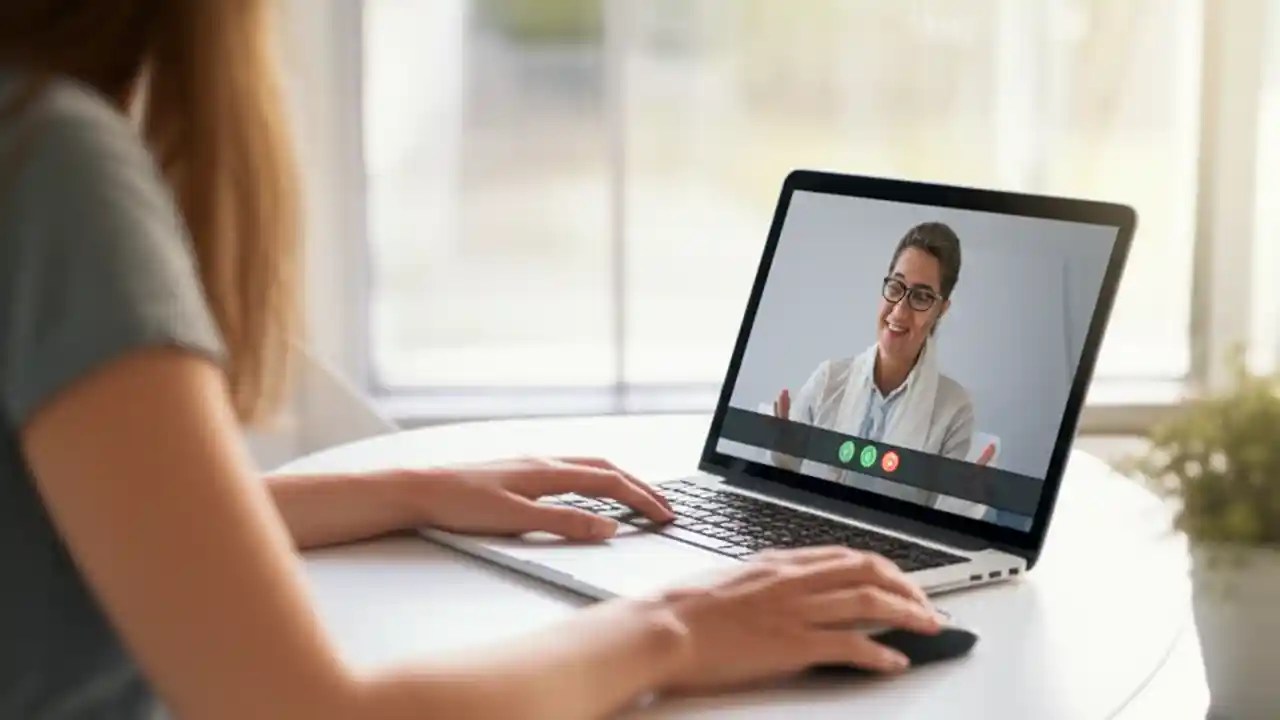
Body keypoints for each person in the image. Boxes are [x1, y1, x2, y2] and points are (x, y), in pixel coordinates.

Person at [0, 2, 943, 718]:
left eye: (920, 295)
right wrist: (674, 631)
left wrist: (415, 489)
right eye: (892, 288)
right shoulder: (51, 163)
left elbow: (108, 523)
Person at [771, 223, 994, 509]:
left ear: (941, 310)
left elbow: (939, 522)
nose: (900, 310)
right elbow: (782, 488)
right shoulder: (828, 380)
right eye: (895, 287)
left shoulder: (954, 411)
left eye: (922, 296)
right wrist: (779, 454)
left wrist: (964, 503)